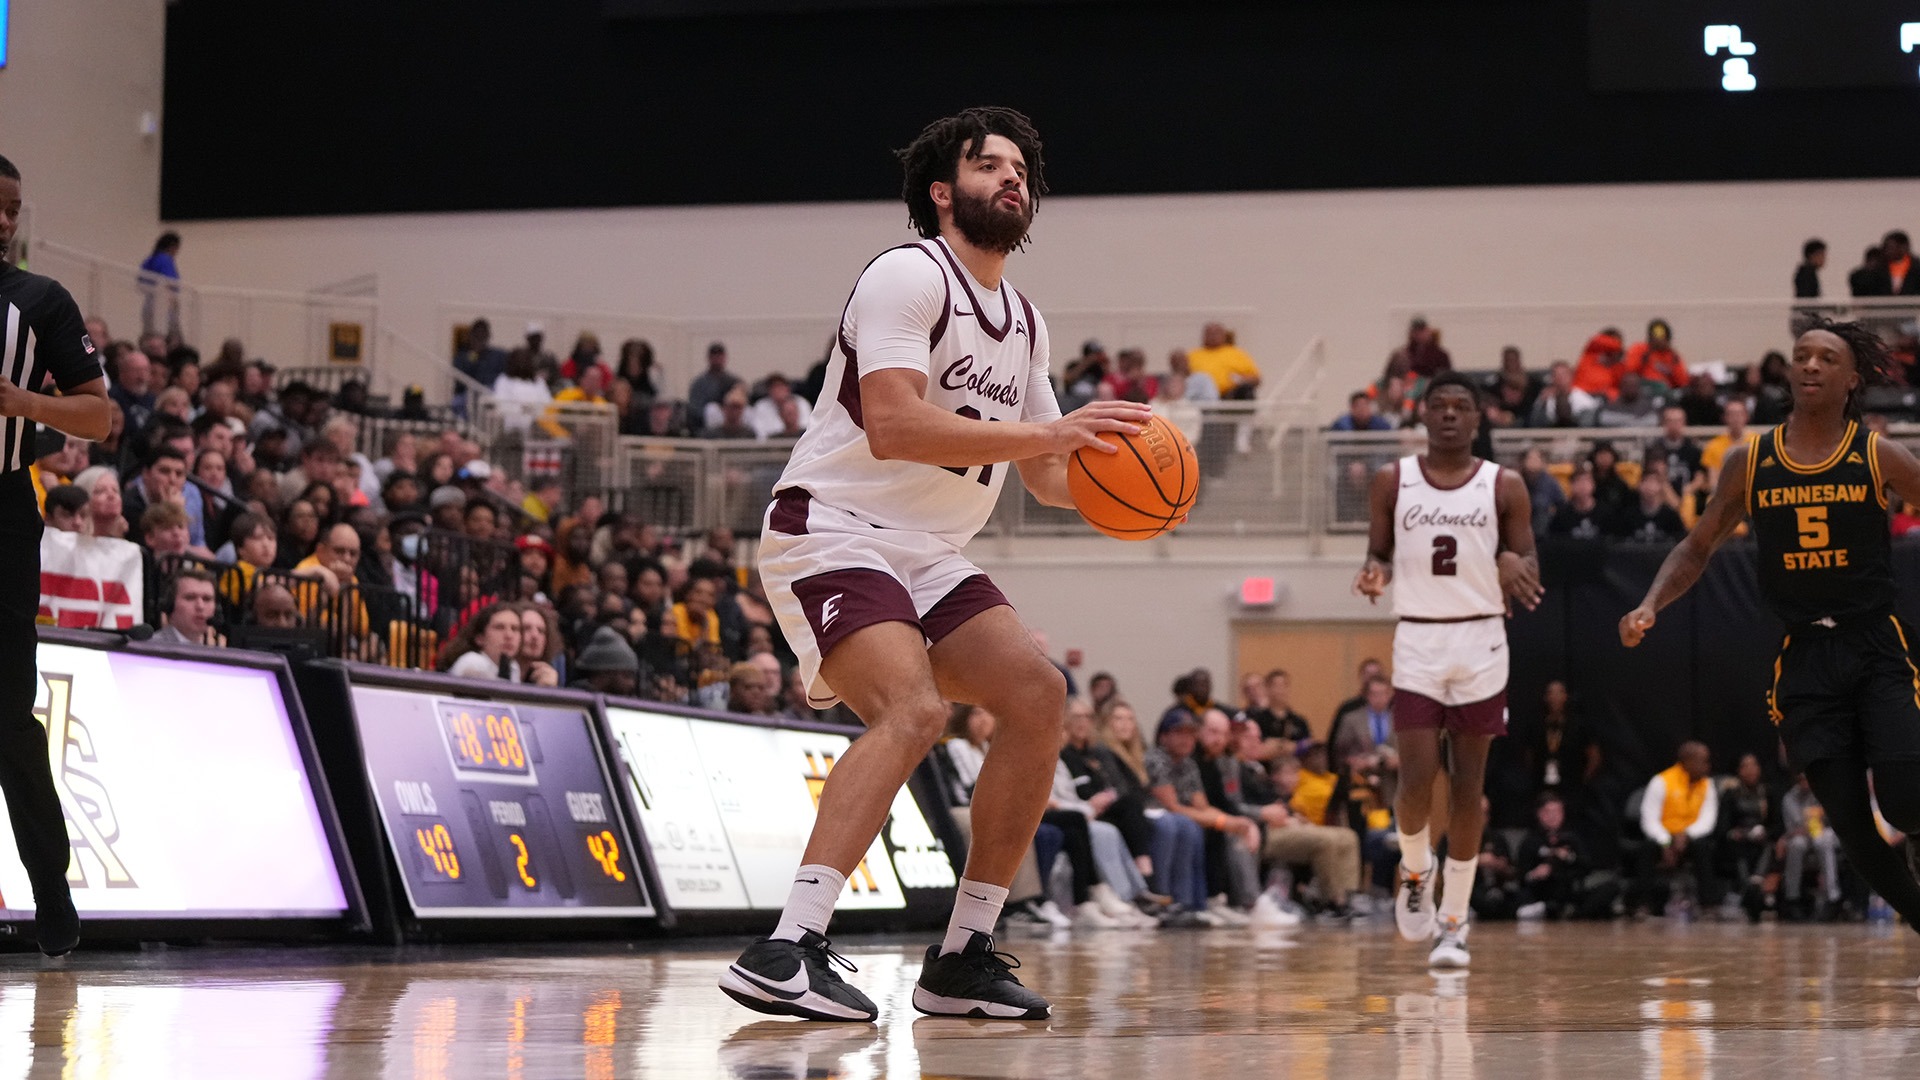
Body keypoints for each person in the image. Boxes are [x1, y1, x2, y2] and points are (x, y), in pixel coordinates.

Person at [723, 108, 1151, 1023]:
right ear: (941, 192)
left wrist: (1136, 495)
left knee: (1039, 695)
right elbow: (894, 424)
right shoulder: (907, 275)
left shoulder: (1026, 322)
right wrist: (1053, 430)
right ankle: (787, 946)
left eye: (1022, 170)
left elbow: (1043, 476)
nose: (1012, 179)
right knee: (913, 709)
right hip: (834, 528)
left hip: (927, 551)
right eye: (989, 165)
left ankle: (961, 956)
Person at [1621, 316, 1920, 937]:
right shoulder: (1749, 460)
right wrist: (1651, 602)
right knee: (1849, 824)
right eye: (1802, 355)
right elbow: (1697, 546)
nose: (1809, 364)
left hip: (1875, 645)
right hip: (1806, 655)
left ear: (1851, 381)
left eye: (1825, 358)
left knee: (1905, 800)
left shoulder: (1877, 454)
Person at [1354, 370, 1542, 969]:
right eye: (1441, 406)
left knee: (1469, 788)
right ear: (1425, 415)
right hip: (1418, 639)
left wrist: (1515, 561)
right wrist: (1372, 575)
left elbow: (1527, 555)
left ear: (1479, 418)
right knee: (1414, 781)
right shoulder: (1394, 479)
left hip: (1482, 638)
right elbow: (1378, 554)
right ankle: (1415, 869)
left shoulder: (1503, 485)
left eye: (1463, 406)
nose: (1452, 415)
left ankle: (1455, 922)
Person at [0, 153, 110, 956]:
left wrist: (27, 403)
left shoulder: (39, 300)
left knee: (7, 714)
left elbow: (100, 417)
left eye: (14, 209)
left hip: (2, 508)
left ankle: (49, 886)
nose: (6, 220)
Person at [445, 603, 523, 681]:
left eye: (515, 629)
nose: (509, 635)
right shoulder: (474, 663)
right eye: (499, 627)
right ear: (480, 638)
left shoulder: (513, 667)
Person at [1186, 322, 1260, 399]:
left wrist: (1240, 379)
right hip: (1201, 397)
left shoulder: (1236, 354)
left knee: (1246, 390)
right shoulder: (1192, 356)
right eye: (1209, 333)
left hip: (1229, 396)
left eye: (1216, 333)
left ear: (1224, 335)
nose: (1213, 336)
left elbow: (1256, 379)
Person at [153, 568, 220, 646]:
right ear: (170, 606)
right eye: (190, 598)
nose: (200, 606)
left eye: (207, 599)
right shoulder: (150, 649)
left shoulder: (218, 650)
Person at [138, 231, 182, 340]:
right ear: (172, 246)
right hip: (163, 303)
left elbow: (141, 280)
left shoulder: (150, 259)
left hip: (149, 302)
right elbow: (169, 282)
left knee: (149, 334)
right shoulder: (165, 260)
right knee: (168, 335)